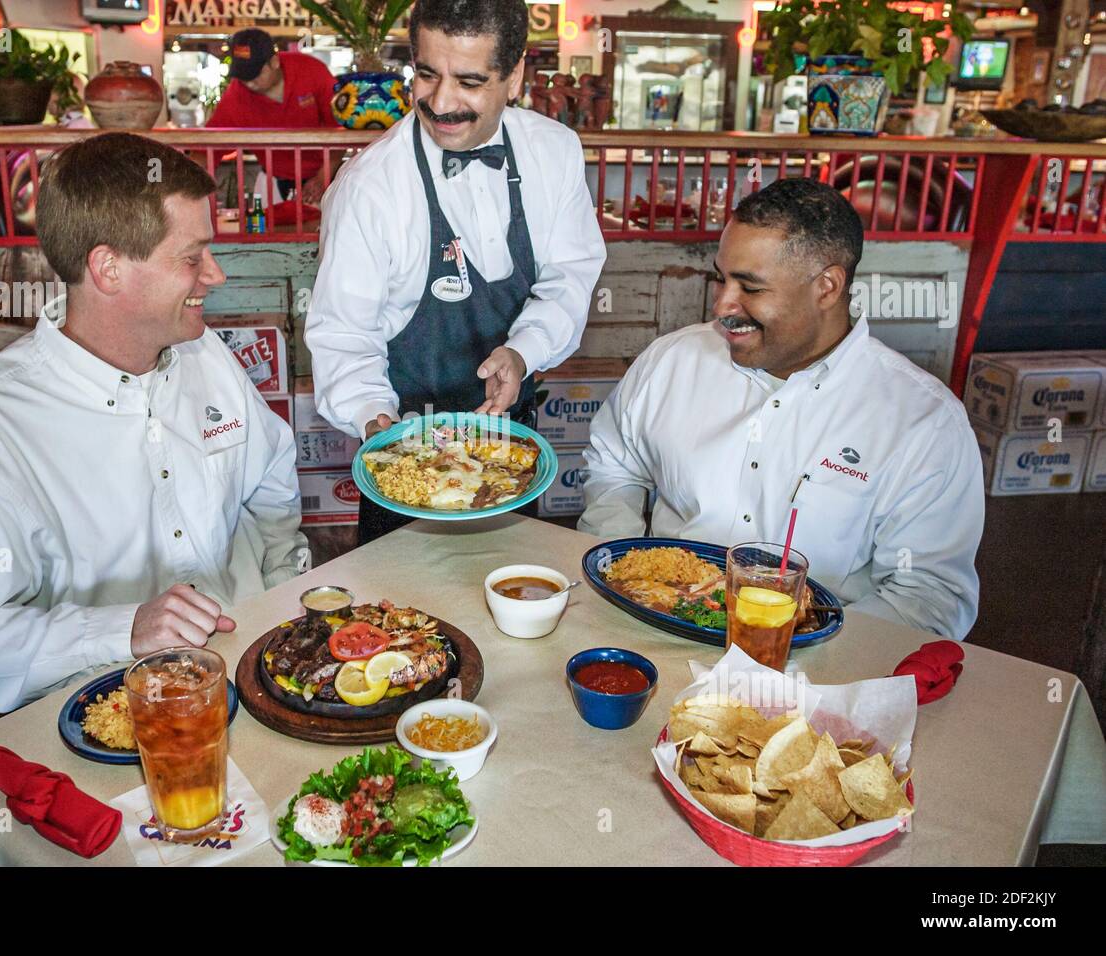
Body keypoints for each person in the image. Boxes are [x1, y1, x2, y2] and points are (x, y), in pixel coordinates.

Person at [0, 132, 309, 712]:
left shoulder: (205, 354)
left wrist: (281, 599)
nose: (215, 276)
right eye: (192, 257)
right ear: (108, 268)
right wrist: (124, 629)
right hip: (99, 721)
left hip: (255, 674)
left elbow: (271, 476)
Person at [578, 178, 984, 640]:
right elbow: (614, 464)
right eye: (721, 277)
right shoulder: (672, 360)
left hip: (818, 670)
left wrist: (805, 644)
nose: (723, 304)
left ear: (827, 287)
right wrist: (622, 571)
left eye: (750, 288)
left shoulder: (923, 424)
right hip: (651, 628)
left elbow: (930, 594)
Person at [304, 0, 606, 544]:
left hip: (511, 448)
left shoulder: (553, 152)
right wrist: (376, 423)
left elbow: (570, 275)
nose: (441, 102)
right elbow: (344, 334)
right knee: (399, 620)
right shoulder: (370, 188)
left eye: (469, 81)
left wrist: (525, 350)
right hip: (406, 457)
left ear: (513, 77)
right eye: (426, 74)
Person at [206, 28, 341, 204]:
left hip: (326, 178)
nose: (249, 82)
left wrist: (323, 176)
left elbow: (340, 127)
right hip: (273, 182)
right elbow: (207, 146)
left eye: (255, 73)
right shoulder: (236, 94)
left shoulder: (311, 70)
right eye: (243, 76)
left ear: (274, 61)